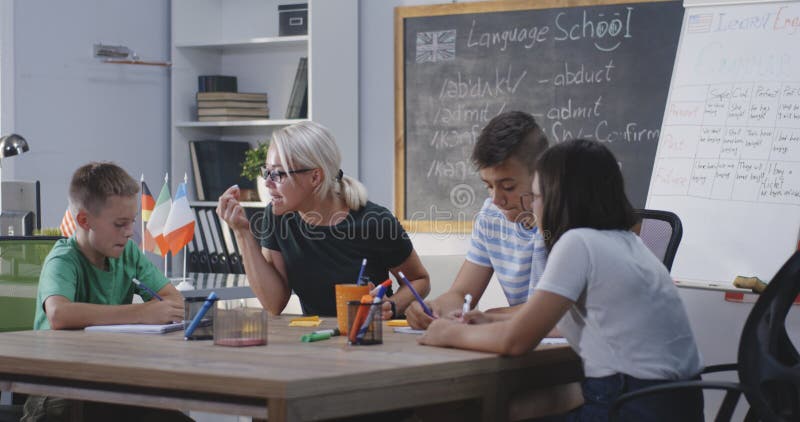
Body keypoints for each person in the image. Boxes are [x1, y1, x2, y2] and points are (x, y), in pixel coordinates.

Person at [418, 139, 704, 421]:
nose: (534, 206)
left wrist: (447, 333)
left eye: (537, 196)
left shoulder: (578, 243)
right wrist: (491, 320)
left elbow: (515, 342)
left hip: (629, 405)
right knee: (512, 409)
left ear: (559, 199)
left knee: (468, 412)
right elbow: (564, 324)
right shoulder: (628, 242)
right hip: (675, 403)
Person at [24, 162, 188, 422]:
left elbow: (173, 300)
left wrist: (157, 311)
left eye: (132, 222)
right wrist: (141, 313)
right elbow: (59, 313)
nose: (129, 232)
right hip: (57, 391)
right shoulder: (63, 259)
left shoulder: (128, 253)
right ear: (84, 220)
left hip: (110, 384)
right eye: (120, 224)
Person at [217, 121, 429, 317]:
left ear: (315, 177)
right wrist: (242, 233)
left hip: (371, 338)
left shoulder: (374, 220)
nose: (267, 183)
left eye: (278, 174)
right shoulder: (277, 218)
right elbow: (274, 303)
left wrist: (391, 306)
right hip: (315, 341)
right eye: (267, 172)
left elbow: (419, 280)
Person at [406, 111, 549, 329]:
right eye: (488, 186)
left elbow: (557, 310)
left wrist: (491, 316)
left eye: (508, 187)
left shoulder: (565, 218)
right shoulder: (490, 216)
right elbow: (462, 294)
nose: (497, 199)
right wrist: (434, 308)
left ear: (541, 173)